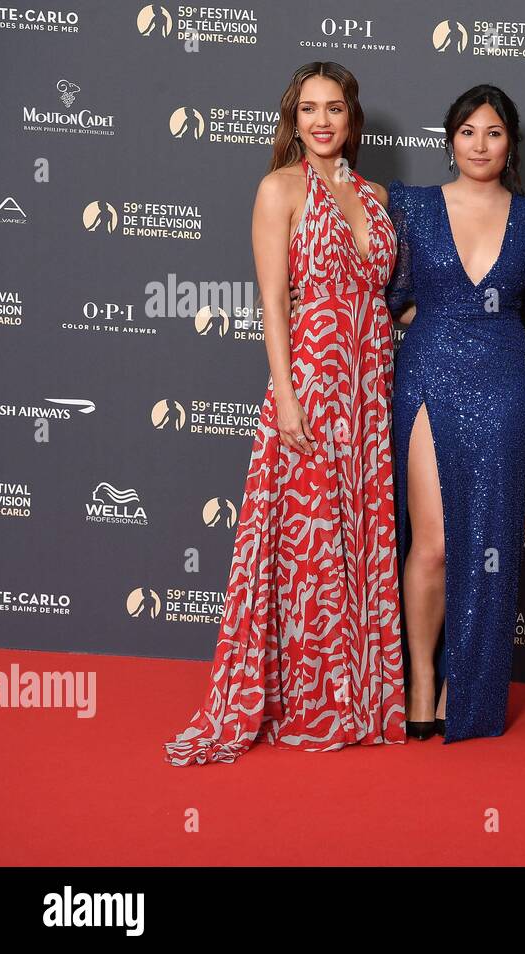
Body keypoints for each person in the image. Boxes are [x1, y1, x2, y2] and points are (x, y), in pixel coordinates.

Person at [165, 62, 405, 764]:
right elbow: (274, 302)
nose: (323, 121)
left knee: (359, 537)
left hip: (371, 385)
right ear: (293, 120)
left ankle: (363, 696)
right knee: (311, 546)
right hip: (312, 380)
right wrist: (288, 396)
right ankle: (311, 699)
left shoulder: (376, 194)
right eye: (309, 110)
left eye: (334, 108)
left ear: (352, 119)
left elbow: (382, 295)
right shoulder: (279, 190)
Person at [385, 85, 525, 743]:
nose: (480, 144)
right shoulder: (410, 207)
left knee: (488, 545)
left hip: (502, 386)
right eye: (468, 131)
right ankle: (419, 678)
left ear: (511, 144)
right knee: (433, 543)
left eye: (493, 133)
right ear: (450, 138)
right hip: (428, 376)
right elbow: (393, 294)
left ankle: (457, 688)